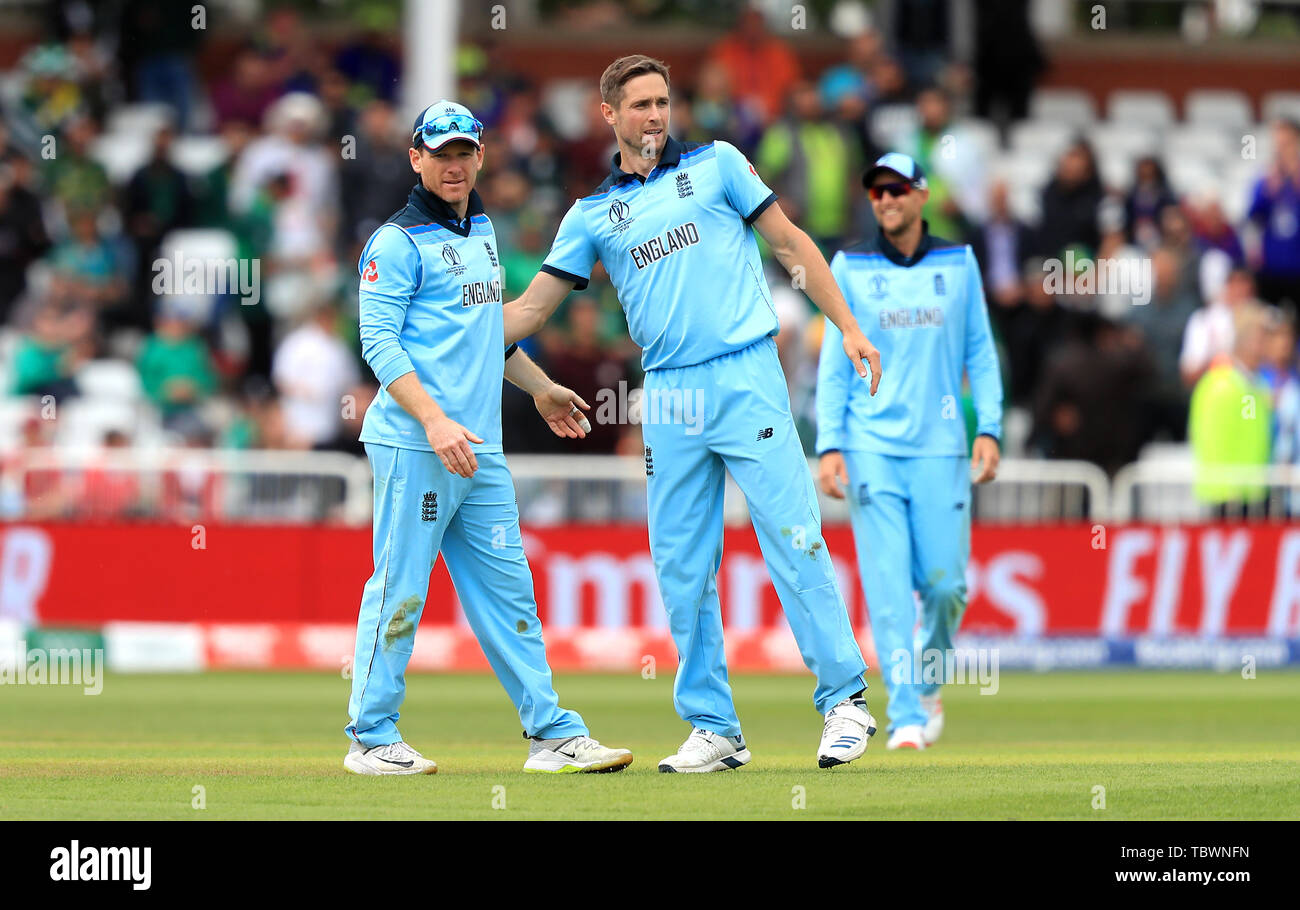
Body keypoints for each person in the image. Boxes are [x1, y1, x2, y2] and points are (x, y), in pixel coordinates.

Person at [504, 56, 884, 772]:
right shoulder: (591, 214)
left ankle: (845, 701)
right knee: (680, 563)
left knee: (792, 534)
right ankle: (715, 727)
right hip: (668, 392)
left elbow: (789, 243)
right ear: (608, 114)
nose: (655, 114)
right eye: (640, 104)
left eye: (662, 101)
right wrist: (449, 334)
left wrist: (848, 326)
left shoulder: (719, 164)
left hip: (745, 371)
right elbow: (529, 311)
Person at [344, 100, 631, 776]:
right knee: (400, 589)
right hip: (416, 444)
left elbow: (482, 333)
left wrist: (540, 386)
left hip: (479, 448)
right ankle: (371, 739)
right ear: (416, 158)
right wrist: (434, 419)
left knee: (510, 595)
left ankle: (552, 735)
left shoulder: (482, 230)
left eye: (464, 152)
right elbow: (377, 342)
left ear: (479, 156)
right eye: (440, 153)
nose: (454, 165)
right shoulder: (395, 242)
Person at [816, 153, 1003, 750]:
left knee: (947, 588)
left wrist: (990, 427)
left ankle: (926, 683)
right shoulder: (848, 265)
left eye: (897, 190)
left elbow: (981, 351)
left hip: (941, 448)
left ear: (922, 196)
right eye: (877, 192)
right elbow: (835, 362)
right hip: (871, 446)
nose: (887, 200)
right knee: (889, 591)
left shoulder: (959, 261)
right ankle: (906, 717)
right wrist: (830, 443)